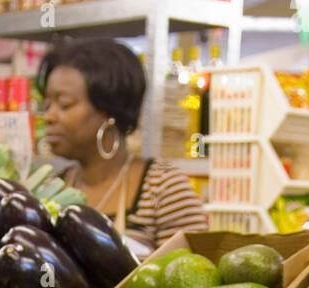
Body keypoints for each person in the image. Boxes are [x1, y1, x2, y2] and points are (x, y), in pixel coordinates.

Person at [37, 37, 207, 250]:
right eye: (47, 104)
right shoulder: (52, 189)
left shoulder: (163, 190)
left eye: (64, 104)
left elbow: (193, 275)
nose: (49, 116)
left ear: (109, 111)